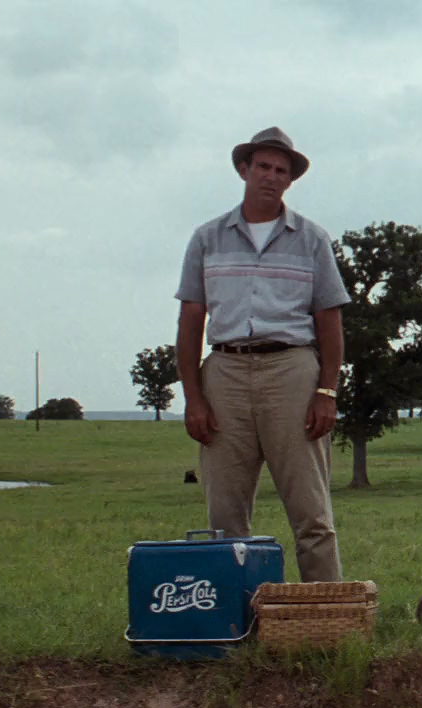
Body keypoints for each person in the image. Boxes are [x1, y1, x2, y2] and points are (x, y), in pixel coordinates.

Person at [174, 126, 350, 583]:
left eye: (281, 170)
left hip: (291, 368)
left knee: (311, 511)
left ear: (290, 180)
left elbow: (329, 322)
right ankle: (232, 622)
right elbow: (191, 321)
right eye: (263, 167)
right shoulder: (207, 238)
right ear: (243, 170)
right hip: (225, 370)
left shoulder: (312, 239)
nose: (271, 177)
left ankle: (325, 617)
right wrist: (194, 397)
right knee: (225, 517)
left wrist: (326, 391)